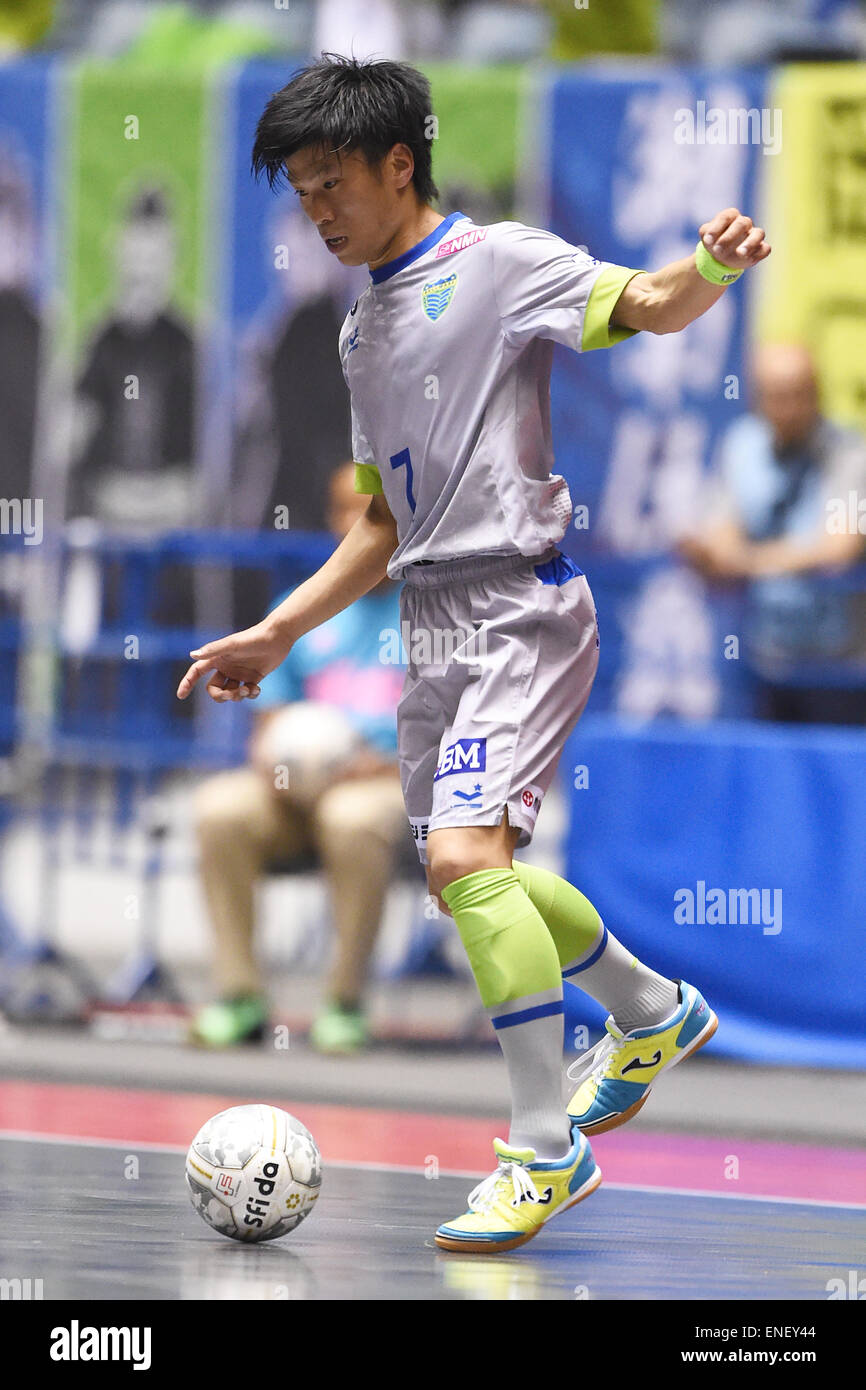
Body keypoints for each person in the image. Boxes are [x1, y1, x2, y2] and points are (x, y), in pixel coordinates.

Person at [178, 55, 770, 1254]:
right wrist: (278, 629)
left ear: (401, 164)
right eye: (299, 192)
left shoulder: (499, 263)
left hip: (518, 608)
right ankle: (649, 1012)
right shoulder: (357, 330)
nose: (318, 210)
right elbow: (385, 526)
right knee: (466, 878)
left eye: (332, 182)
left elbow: (644, 308)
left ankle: (543, 1151)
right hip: (429, 622)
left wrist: (707, 264)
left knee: (462, 854)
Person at [190, 462, 407, 1052]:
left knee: (351, 819)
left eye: (372, 508)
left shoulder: (436, 613)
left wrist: (375, 768)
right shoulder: (300, 609)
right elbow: (272, 724)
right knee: (220, 809)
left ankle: (344, 1001)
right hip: (296, 791)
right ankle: (239, 997)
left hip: (393, 789)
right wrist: (278, 762)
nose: (356, 521)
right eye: (345, 508)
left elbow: (456, 734)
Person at [679, 343, 866, 724]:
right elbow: (721, 536)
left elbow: (840, 546)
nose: (793, 408)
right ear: (758, 397)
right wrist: (705, 553)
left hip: (841, 669)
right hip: (764, 661)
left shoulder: (852, 453)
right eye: (780, 396)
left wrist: (748, 560)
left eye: (803, 393)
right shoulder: (741, 446)